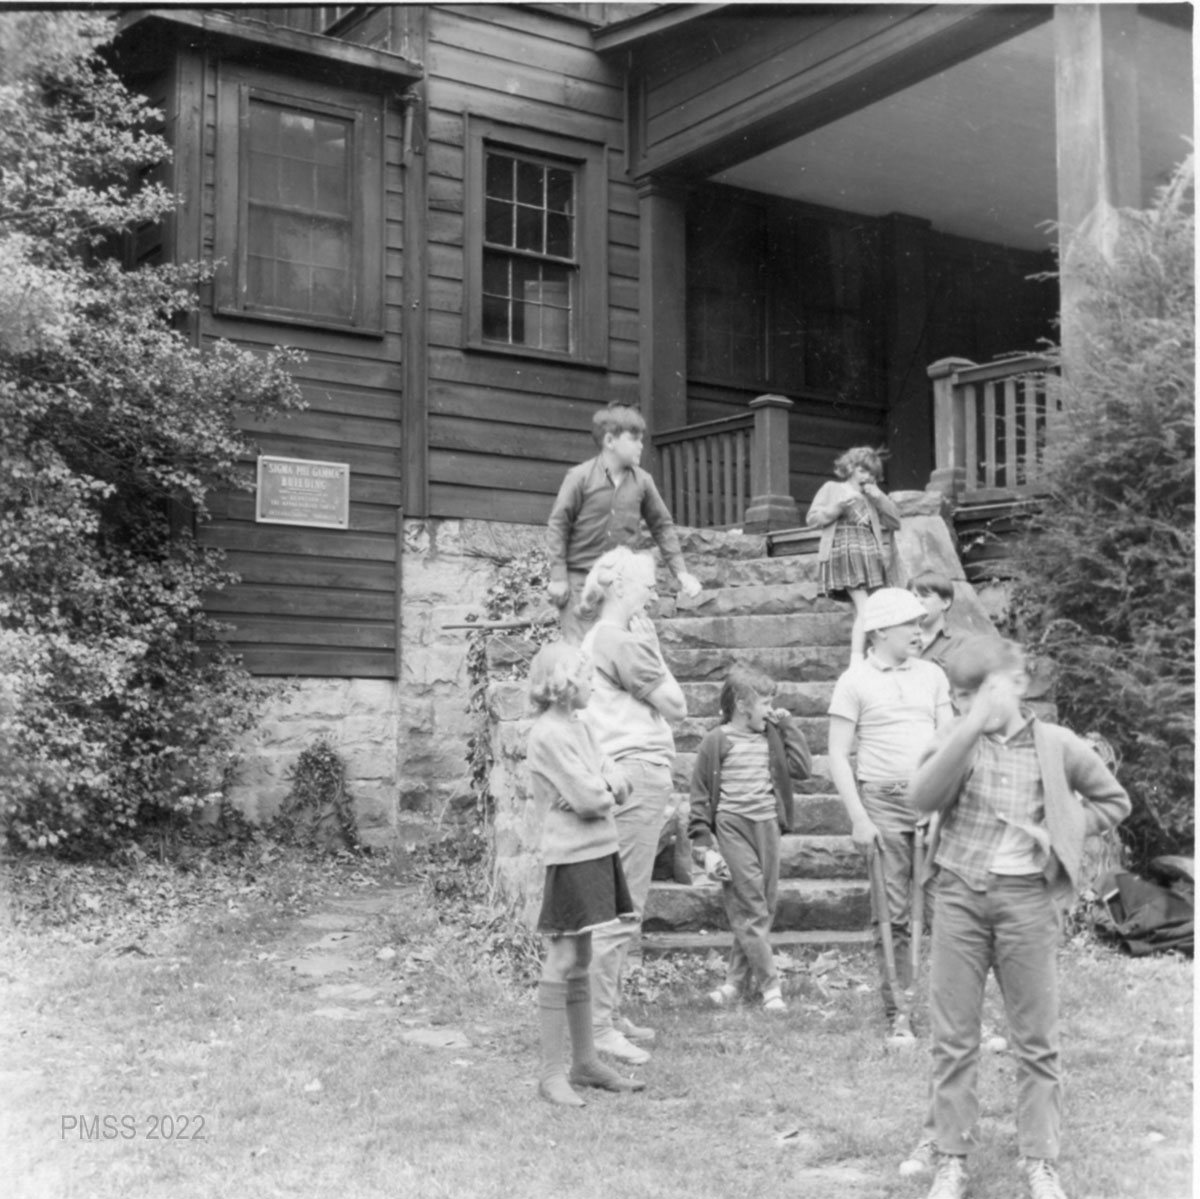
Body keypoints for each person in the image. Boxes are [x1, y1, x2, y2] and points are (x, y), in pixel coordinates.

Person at [905, 637, 1130, 1199]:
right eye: (958, 696)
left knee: (1036, 1039)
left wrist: (1059, 827)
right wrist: (967, 726)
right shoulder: (959, 740)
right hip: (960, 895)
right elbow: (922, 797)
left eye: (979, 693)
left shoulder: (1057, 744)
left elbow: (1113, 801)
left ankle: (1040, 1161)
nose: (966, 705)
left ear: (1018, 685)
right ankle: (951, 1158)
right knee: (954, 1036)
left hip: (1028, 902)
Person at [525, 641, 648, 1107]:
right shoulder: (547, 735)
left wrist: (606, 783)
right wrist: (603, 788)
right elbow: (588, 798)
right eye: (588, 676)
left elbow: (612, 776)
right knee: (562, 958)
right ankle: (552, 1073)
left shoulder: (580, 727)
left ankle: (584, 1063)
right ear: (564, 684)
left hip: (598, 848)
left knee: (582, 956)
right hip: (570, 855)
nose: (595, 684)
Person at [826, 587, 952, 1040]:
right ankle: (899, 1010)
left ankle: (946, 1008)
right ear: (879, 632)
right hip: (880, 801)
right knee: (893, 912)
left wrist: (939, 804)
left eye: (921, 624)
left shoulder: (933, 675)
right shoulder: (855, 680)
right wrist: (859, 818)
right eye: (909, 626)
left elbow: (948, 743)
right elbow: (838, 755)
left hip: (930, 801)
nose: (919, 632)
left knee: (943, 908)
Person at [578, 546, 686, 1064]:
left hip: (628, 773)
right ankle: (599, 1028)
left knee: (621, 902)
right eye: (647, 585)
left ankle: (608, 1013)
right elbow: (678, 706)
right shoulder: (623, 639)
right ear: (621, 587)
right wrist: (656, 648)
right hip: (637, 773)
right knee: (623, 908)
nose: (654, 593)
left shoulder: (601, 637)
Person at [688, 665, 812, 1013]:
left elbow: (803, 769)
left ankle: (734, 983)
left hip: (768, 825)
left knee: (762, 906)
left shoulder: (771, 735)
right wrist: (702, 845)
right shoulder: (715, 741)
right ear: (743, 705)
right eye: (766, 703)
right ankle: (771, 987)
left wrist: (787, 726)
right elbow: (698, 797)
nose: (771, 709)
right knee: (752, 906)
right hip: (732, 826)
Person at [547, 401, 702, 644]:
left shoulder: (643, 481)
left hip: (620, 588)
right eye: (634, 439)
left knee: (617, 652)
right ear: (610, 441)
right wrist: (558, 577)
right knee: (580, 656)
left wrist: (682, 573)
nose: (642, 445)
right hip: (580, 582)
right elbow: (558, 524)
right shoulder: (579, 477)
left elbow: (662, 527)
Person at [806, 446, 902, 662]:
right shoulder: (832, 488)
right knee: (865, 606)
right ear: (850, 468)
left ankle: (870, 658)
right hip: (844, 552)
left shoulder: (872, 495)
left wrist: (880, 498)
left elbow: (895, 522)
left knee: (867, 610)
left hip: (869, 555)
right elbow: (812, 520)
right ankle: (858, 660)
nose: (867, 477)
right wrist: (838, 507)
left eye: (872, 474)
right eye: (862, 470)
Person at [908, 571, 961, 671]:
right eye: (914, 596)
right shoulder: (899, 639)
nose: (918, 601)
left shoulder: (962, 642)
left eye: (925, 596)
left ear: (945, 603)